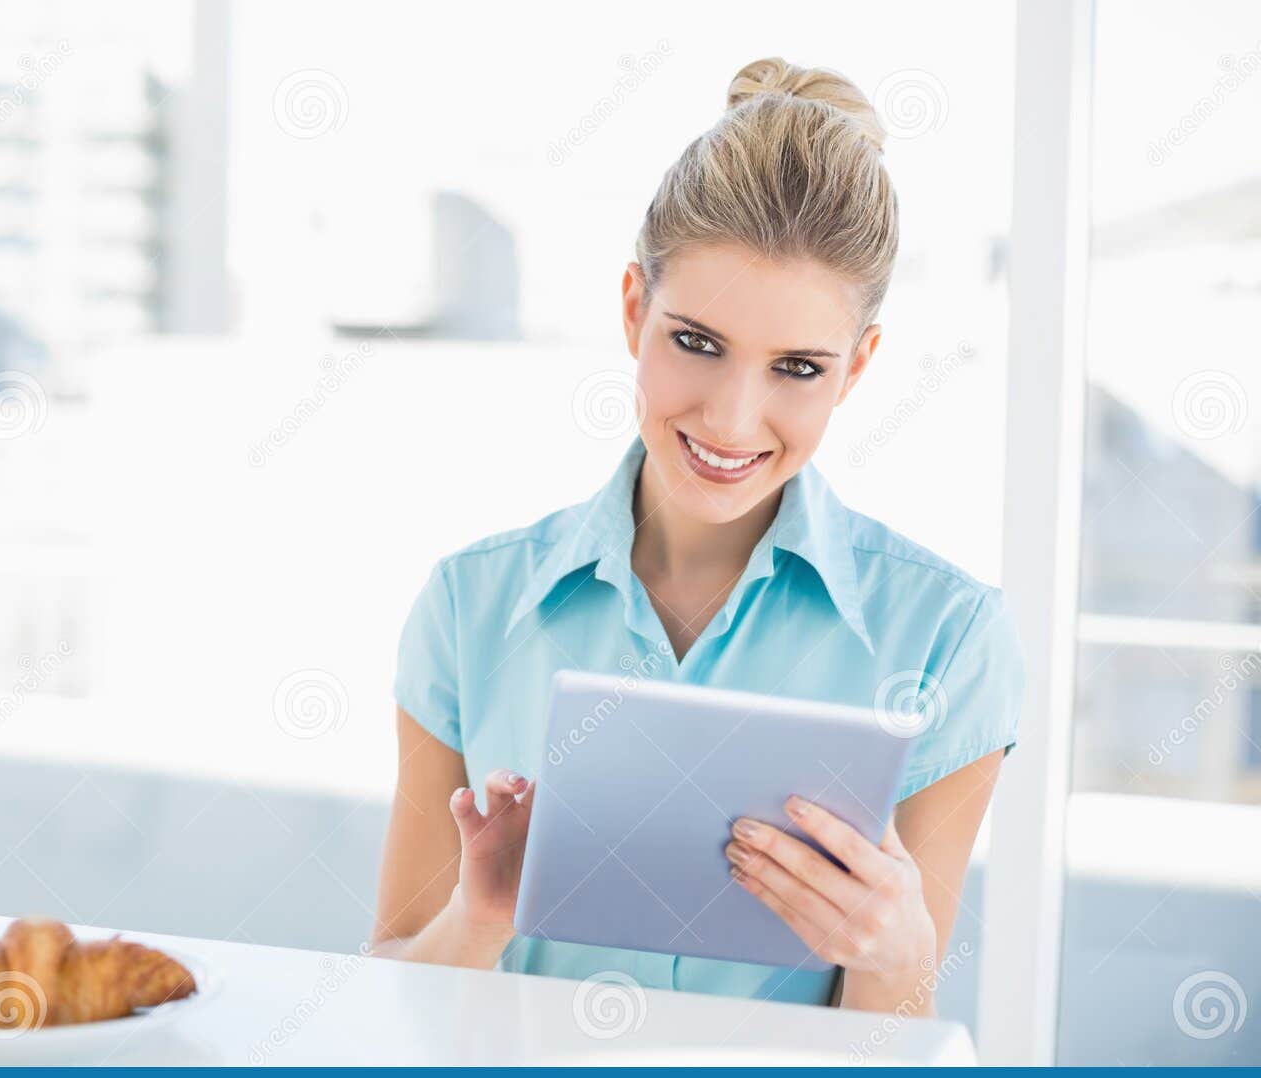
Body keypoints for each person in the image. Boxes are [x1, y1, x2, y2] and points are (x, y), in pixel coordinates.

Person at [370, 56, 1024, 1016]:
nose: (731, 417)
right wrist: (481, 914)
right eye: (697, 342)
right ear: (634, 309)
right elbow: (386, 993)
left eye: (798, 366)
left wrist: (893, 957)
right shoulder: (471, 603)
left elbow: (883, 1076)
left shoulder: (949, 637)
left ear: (857, 369)